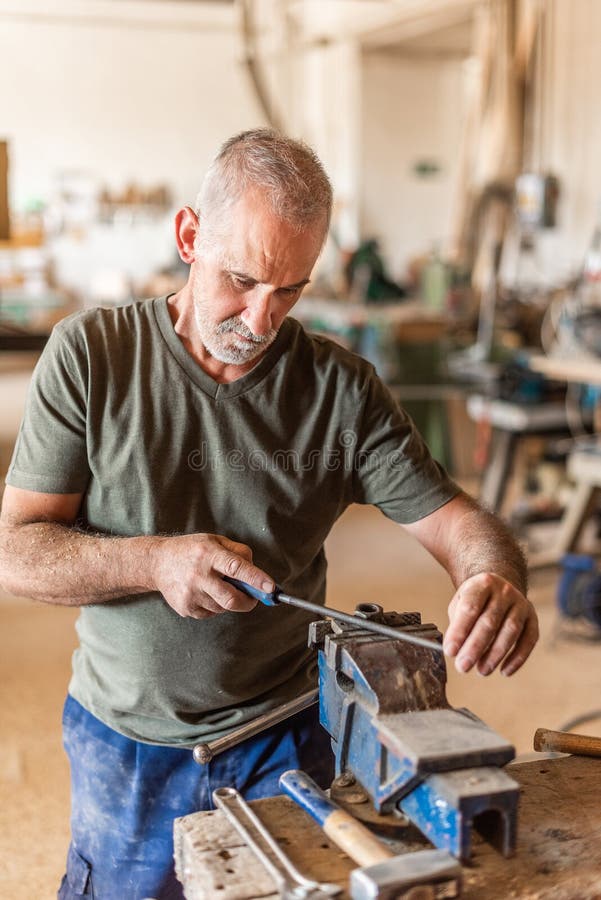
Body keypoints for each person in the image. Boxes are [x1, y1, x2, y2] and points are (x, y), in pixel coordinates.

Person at [0, 129, 538, 900]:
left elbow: (456, 520)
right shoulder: (92, 356)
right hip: (130, 742)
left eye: (289, 290)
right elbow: (15, 553)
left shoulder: (339, 390)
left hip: (284, 734)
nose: (259, 318)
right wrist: (152, 562)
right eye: (241, 278)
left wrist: (490, 574)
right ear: (189, 236)